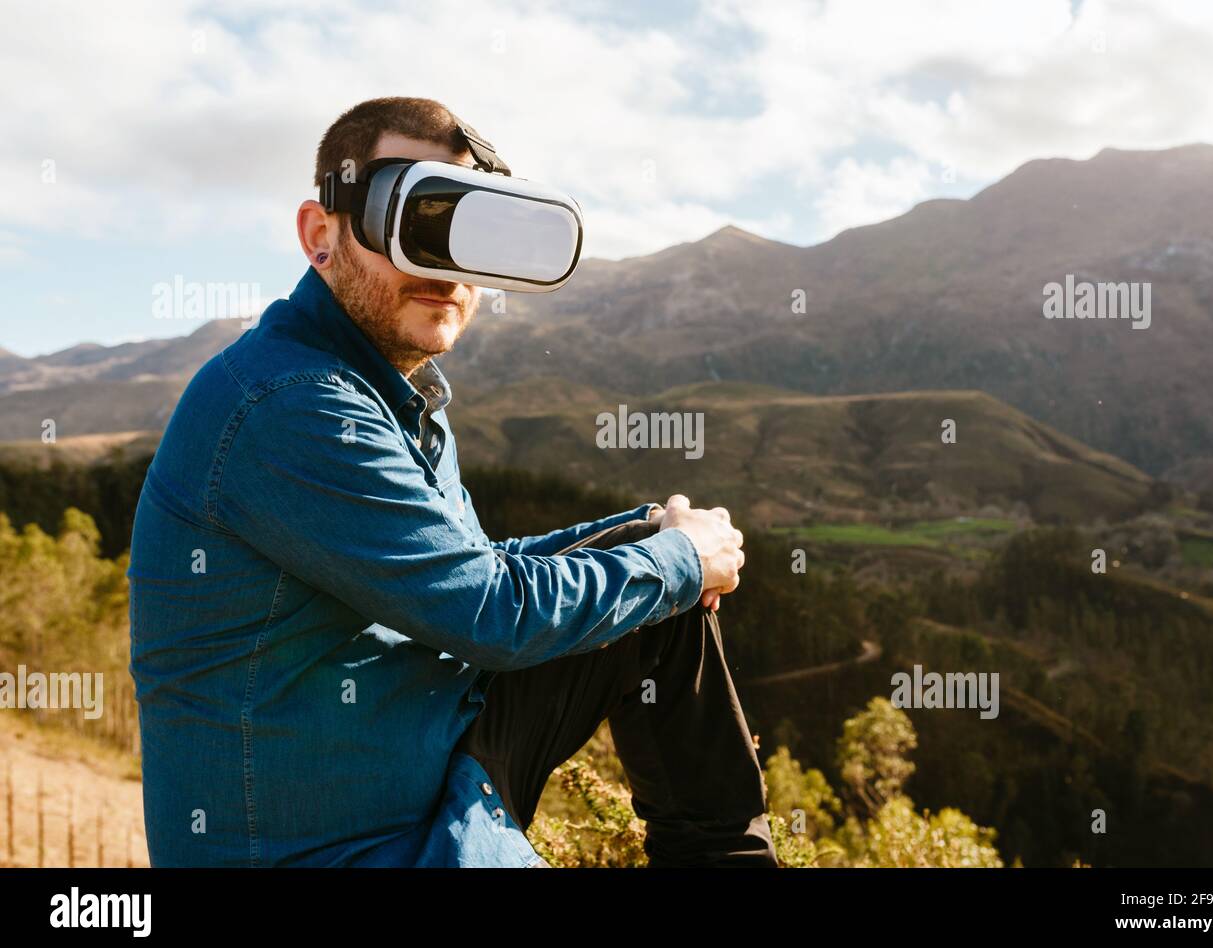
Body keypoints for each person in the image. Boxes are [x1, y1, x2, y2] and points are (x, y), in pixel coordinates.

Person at [127, 96, 777, 867]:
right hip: (351, 847)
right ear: (319, 235)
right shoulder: (291, 403)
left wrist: (656, 535)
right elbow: (489, 611)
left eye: (462, 231)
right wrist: (681, 561)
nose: (440, 268)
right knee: (662, 570)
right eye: (409, 219)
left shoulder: (397, 394)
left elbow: (469, 568)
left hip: (428, 764)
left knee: (654, 575)